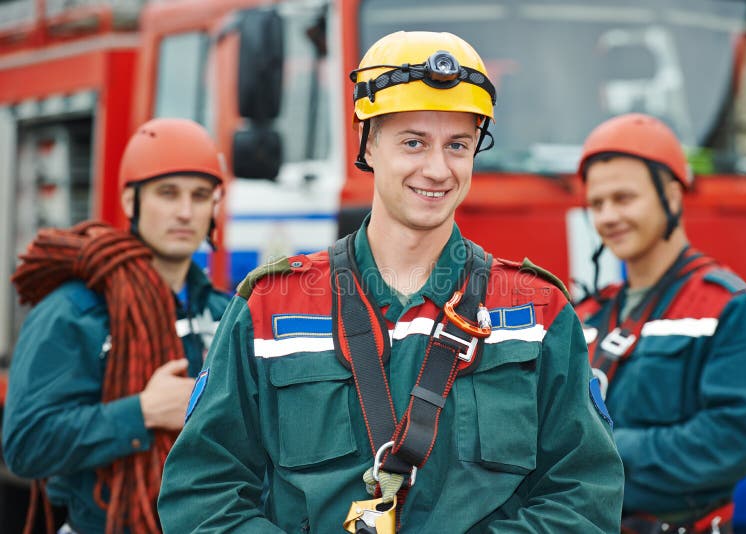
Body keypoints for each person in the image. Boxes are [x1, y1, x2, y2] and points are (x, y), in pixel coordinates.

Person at [159, 31, 623, 533]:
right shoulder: (268, 308)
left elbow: (585, 495)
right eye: (413, 143)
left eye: (458, 145)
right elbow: (201, 494)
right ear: (369, 143)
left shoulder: (539, 311)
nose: (438, 169)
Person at [2, 118, 231, 534]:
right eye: (167, 193)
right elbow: (26, 445)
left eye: (200, 196)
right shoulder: (73, 312)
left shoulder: (227, 314)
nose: (185, 211)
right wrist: (141, 413)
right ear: (130, 202)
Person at [574, 113, 746, 534]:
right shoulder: (587, 314)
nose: (607, 217)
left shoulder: (730, 309)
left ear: (672, 196)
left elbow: (730, 443)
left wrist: (600, 450)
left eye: (624, 198)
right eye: (597, 203)